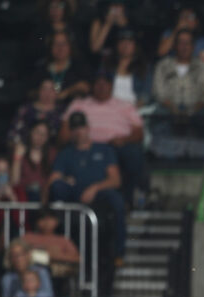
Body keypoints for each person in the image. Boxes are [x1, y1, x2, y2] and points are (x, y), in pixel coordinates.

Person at [45, 110, 125, 287]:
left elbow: (115, 179)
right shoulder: (66, 153)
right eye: (74, 128)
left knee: (117, 201)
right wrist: (66, 180)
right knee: (58, 188)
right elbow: (54, 179)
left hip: (100, 193)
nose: (78, 131)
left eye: (81, 127)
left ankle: (120, 252)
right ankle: (58, 227)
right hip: (74, 194)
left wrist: (94, 188)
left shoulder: (104, 150)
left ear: (88, 128)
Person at [62, 71, 146, 205]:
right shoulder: (79, 104)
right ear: (92, 86)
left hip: (115, 145)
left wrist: (123, 140)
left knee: (133, 153)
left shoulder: (125, 105)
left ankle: (130, 199)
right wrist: (74, 139)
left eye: (105, 84)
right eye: (98, 84)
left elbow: (139, 133)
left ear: (111, 86)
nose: (101, 87)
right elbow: (65, 129)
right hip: (85, 145)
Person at [151, 30, 204, 158]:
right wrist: (173, 108)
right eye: (181, 43)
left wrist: (197, 106)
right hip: (168, 109)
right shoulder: (163, 65)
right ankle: (165, 161)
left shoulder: (203, 66)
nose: (184, 46)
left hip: (198, 109)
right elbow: (158, 92)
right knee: (157, 116)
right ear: (175, 46)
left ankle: (202, 161)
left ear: (193, 46)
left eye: (188, 43)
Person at [21, 206, 80, 286]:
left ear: (56, 221)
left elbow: (77, 258)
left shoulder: (63, 240)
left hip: (57, 278)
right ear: (36, 222)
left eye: (50, 219)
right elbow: (17, 253)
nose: (46, 223)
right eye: (42, 219)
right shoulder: (28, 238)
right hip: (29, 276)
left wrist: (56, 256)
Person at [7, 78, 64, 149]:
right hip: (24, 150)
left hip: (51, 152)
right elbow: (13, 134)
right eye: (44, 89)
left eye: (51, 89)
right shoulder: (26, 109)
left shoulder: (62, 112)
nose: (47, 93)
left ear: (57, 92)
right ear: (38, 91)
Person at [37, 31, 90, 105]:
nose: (60, 48)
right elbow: (32, 91)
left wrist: (66, 92)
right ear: (50, 47)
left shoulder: (79, 66)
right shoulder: (42, 68)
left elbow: (85, 87)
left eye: (64, 43)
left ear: (70, 46)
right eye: (56, 44)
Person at [107, 29, 151, 107]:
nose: (125, 45)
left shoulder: (144, 67)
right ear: (117, 45)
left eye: (130, 42)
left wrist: (134, 110)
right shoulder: (107, 65)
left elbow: (146, 93)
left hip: (135, 108)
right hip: (110, 107)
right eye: (122, 42)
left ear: (135, 45)